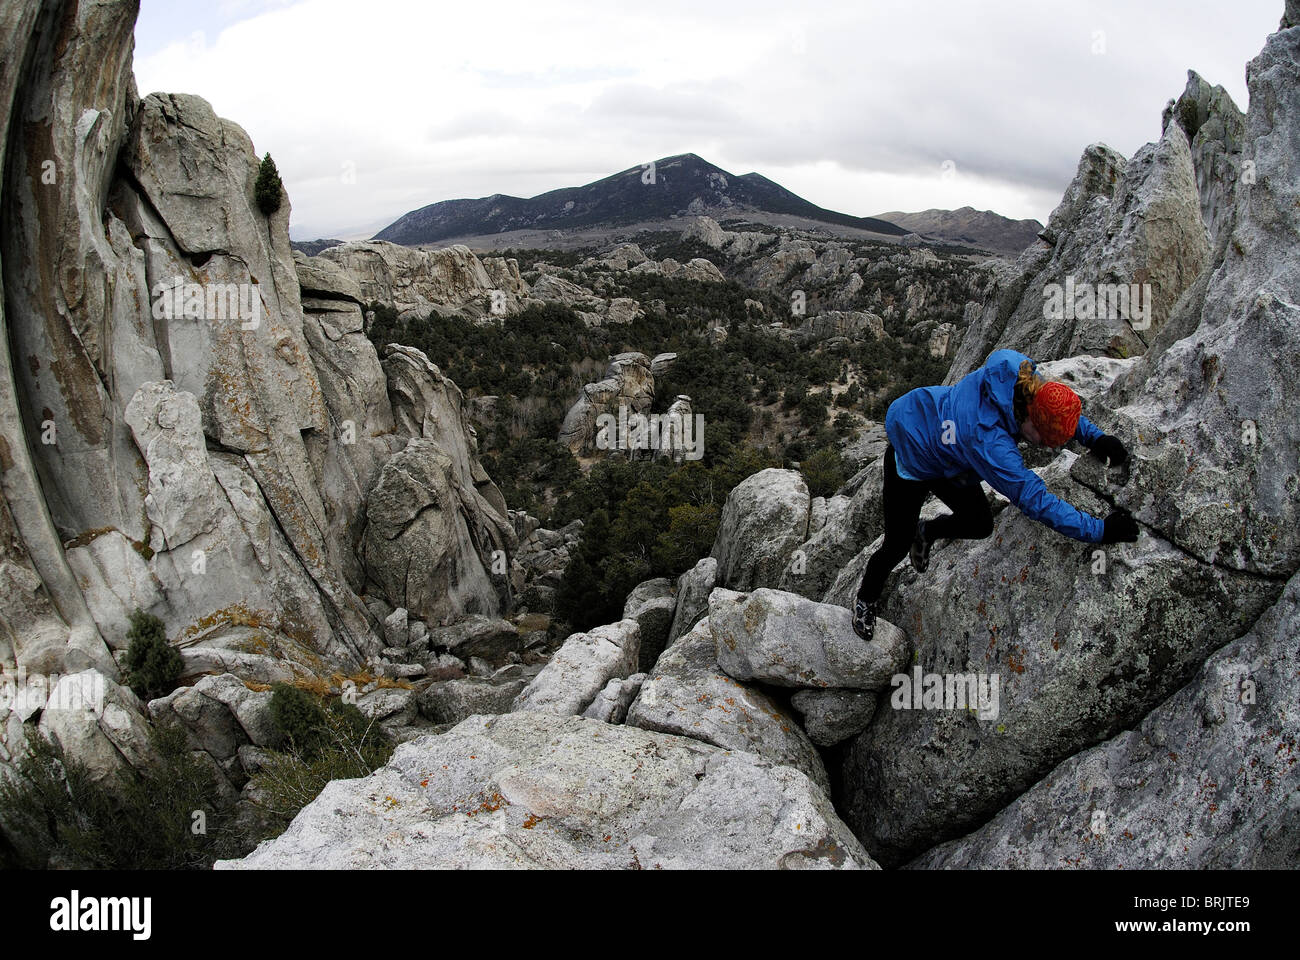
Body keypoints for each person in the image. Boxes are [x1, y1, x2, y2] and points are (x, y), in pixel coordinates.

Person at [852, 348, 1139, 642]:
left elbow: (1054, 409)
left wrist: (1095, 437)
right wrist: (1101, 530)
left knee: (980, 523)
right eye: (1044, 439)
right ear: (1030, 420)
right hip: (912, 456)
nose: (1046, 447)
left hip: (950, 454)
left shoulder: (1020, 375)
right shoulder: (988, 440)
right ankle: (865, 599)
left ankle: (927, 530)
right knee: (896, 545)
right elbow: (1036, 500)